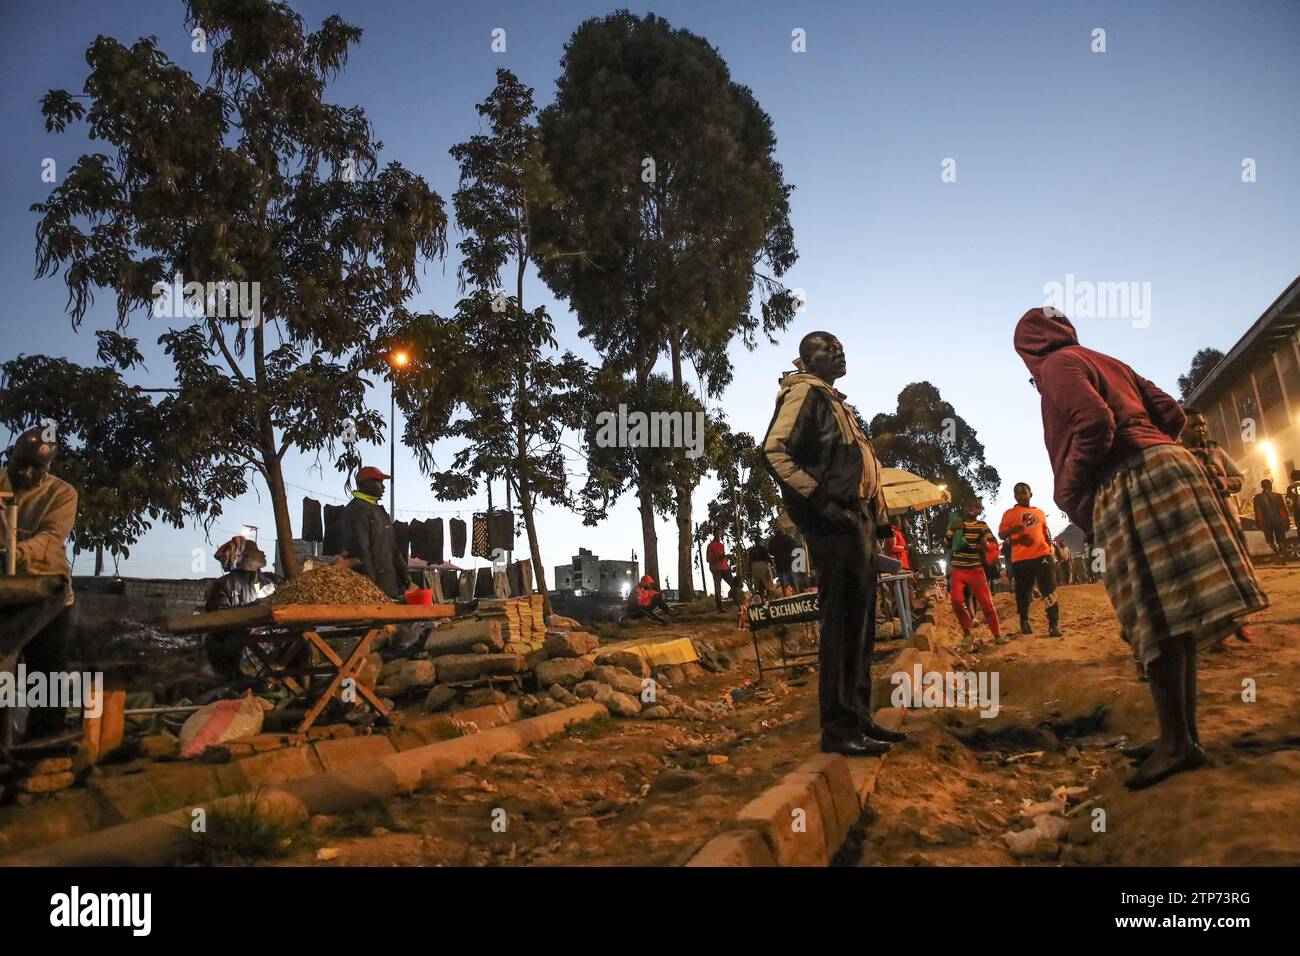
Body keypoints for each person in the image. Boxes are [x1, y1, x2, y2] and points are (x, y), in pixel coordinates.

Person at [1015, 307, 1267, 790]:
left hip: (1133, 479)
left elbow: (1094, 422)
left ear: (1029, 347)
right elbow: (1172, 412)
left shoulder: (1055, 367)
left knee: (1150, 611)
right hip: (1173, 467)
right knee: (1171, 612)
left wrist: (1068, 489)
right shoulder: (1106, 359)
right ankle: (1181, 737)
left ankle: (1177, 744)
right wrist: (1155, 445)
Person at [762, 330, 903, 756]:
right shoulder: (804, 393)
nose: (837, 351)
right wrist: (822, 503)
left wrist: (879, 522)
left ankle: (859, 718)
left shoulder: (836, 401)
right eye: (826, 347)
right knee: (842, 624)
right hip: (834, 525)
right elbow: (773, 452)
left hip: (856, 522)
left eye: (840, 346)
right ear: (805, 359)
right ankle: (839, 730)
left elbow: (866, 469)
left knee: (861, 624)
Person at [0, 428, 78, 739]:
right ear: (11, 457)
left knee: (46, 677)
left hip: (47, 593)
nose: (27, 473)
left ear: (48, 468)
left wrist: (13, 553)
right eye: (21, 464)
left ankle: (45, 745)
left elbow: (50, 538)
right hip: (5, 592)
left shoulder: (62, 494)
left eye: (37, 467)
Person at [202, 536, 278, 681]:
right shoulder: (224, 585)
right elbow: (217, 621)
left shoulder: (270, 581)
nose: (262, 552)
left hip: (269, 638)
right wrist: (256, 607)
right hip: (232, 646)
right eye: (257, 549)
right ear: (247, 556)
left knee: (301, 643)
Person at [999, 482, 1062, 637]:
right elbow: (1001, 534)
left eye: (1023, 492)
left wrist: (1051, 554)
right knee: (1023, 591)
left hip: (1043, 555)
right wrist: (1014, 530)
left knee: (1049, 589)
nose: (1020, 495)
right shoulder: (1009, 514)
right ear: (1014, 496)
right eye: (1017, 493)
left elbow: (1046, 535)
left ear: (1030, 494)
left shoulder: (1039, 513)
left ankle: (1054, 624)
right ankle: (1024, 620)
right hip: (1021, 559)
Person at [340, 466, 408, 599]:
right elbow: (360, 549)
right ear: (364, 483)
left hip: (388, 582)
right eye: (379, 482)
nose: (383, 487)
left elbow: (392, 547)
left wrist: (404, 572)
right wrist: (370, 583)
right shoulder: (356, 510)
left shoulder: (379, 511)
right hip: (370, 587)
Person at [945, 499, 1004, 649]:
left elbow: (993, 542)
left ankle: (997, 635)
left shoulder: (982, 526)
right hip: (957, 569)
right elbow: (946, 544)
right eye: (970, 505)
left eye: (977, 507)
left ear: (980, 511)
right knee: (956, 600)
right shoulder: (956, 523)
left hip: (975, 569)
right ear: (963, 508)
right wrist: (952, 530)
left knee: (986, 604)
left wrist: (986, 546)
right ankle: (967, 632)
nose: (973, 509)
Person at [1252, 479, 1290, 564]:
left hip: (1266, 523)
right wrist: (1286, 522)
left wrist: (1259, 523)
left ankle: (1278, 554)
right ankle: (1282, 558)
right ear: (1271, 486)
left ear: (1262, 486)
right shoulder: (1277, 496)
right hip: (1278, 522)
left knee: (1270, 541)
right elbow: (1283, 510)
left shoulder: (1257, 498)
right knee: (1281, 541)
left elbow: (1258, 512)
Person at [706, 530, 738, 611]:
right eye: (717, 533)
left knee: (734, 584)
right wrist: (718, 558)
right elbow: (708, 559)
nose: (719, 535)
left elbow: (722, 556)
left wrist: (726, 561)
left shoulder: (721, 545)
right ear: (714, 534)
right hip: (716, 569)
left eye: (720, 533)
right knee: (718, 587)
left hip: (725, 567)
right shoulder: (710, 545)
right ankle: (720, 607)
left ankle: (737, 602)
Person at [767, 523, 797, 589]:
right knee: (793, 582)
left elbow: (770, 551)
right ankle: (797, 593)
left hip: (781, 564)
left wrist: (777, 553)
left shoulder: (773, 541)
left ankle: (786, 595)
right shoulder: (787, 538)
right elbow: (794, 546)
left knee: (784, 584)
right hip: (788, 563)